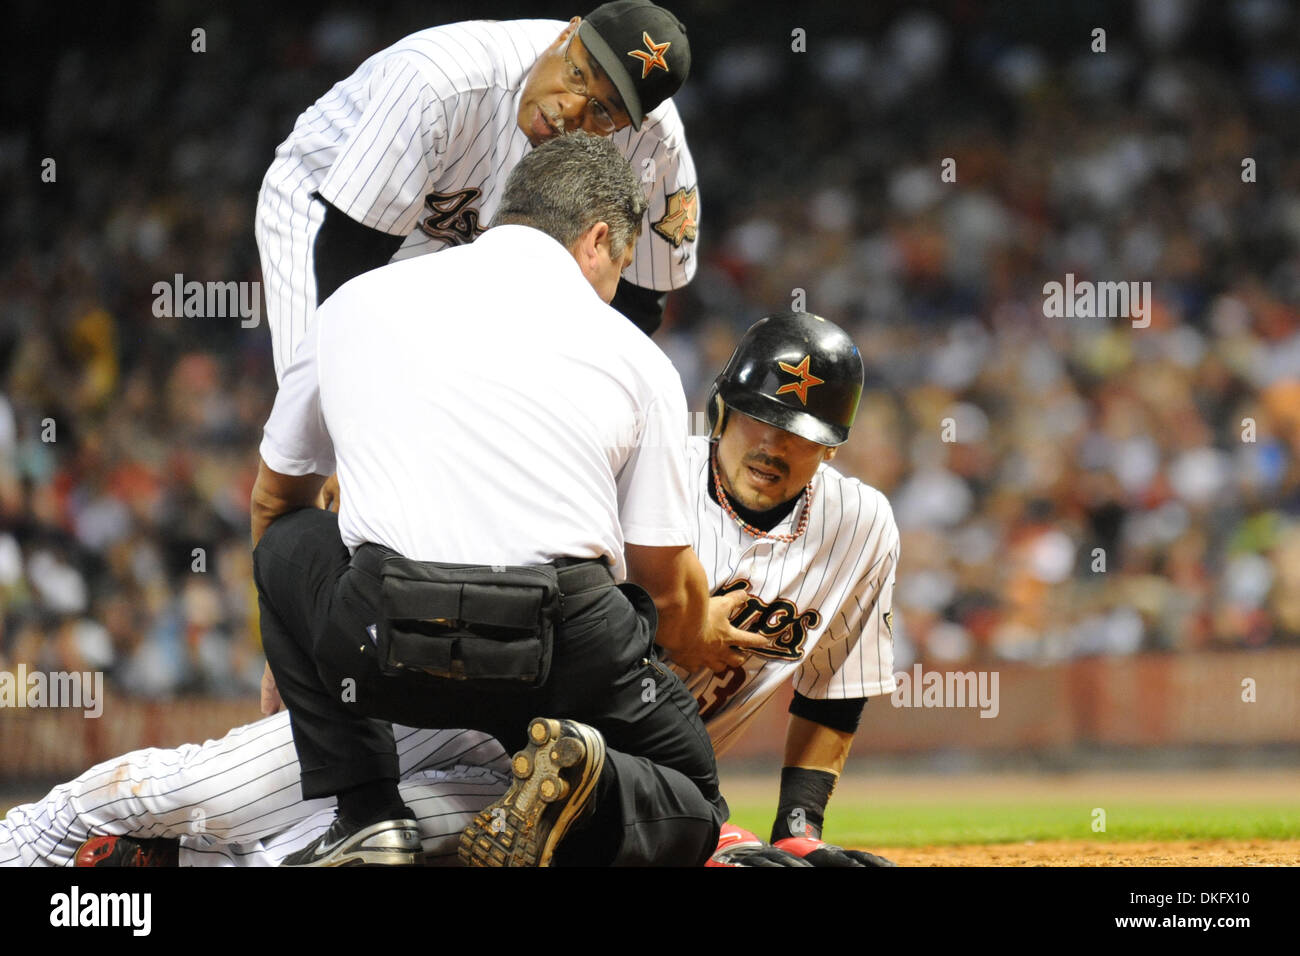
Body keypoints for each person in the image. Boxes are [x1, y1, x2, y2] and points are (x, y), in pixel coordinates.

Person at [0, 314, 899, 868]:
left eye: (799, 429)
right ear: (720, 408)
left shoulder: (859, 528)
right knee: (215, 788)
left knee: (419, 850)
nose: (771, 441)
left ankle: (149, 873)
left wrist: (799, 826)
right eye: (758, 415)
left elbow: (838, 688)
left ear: (832, 447)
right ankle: (37, 838)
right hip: (446, 698)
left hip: (571, 774)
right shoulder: (640, 471)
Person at [251, 129, 728, 868]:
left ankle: (369, 813)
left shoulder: (354, 301)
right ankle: (590, 774)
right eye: (622, 264)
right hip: (561, 649)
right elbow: (663, 589)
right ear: (598, 238)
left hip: (384, 642)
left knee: (290, 543)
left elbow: (273, 502)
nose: (615, 287)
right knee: (695, 803)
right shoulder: (638, 358)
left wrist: (307, 653)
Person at [256, 0, 698, 386]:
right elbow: (348, 257)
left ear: (632, 122)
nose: (570, 107)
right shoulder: (441, 79)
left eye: (603, 110)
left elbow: (637, 301)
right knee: (324, 407)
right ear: (568, 32)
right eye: (578, 74)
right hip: (330, 206)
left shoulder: (656, 147)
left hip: (463, 245)